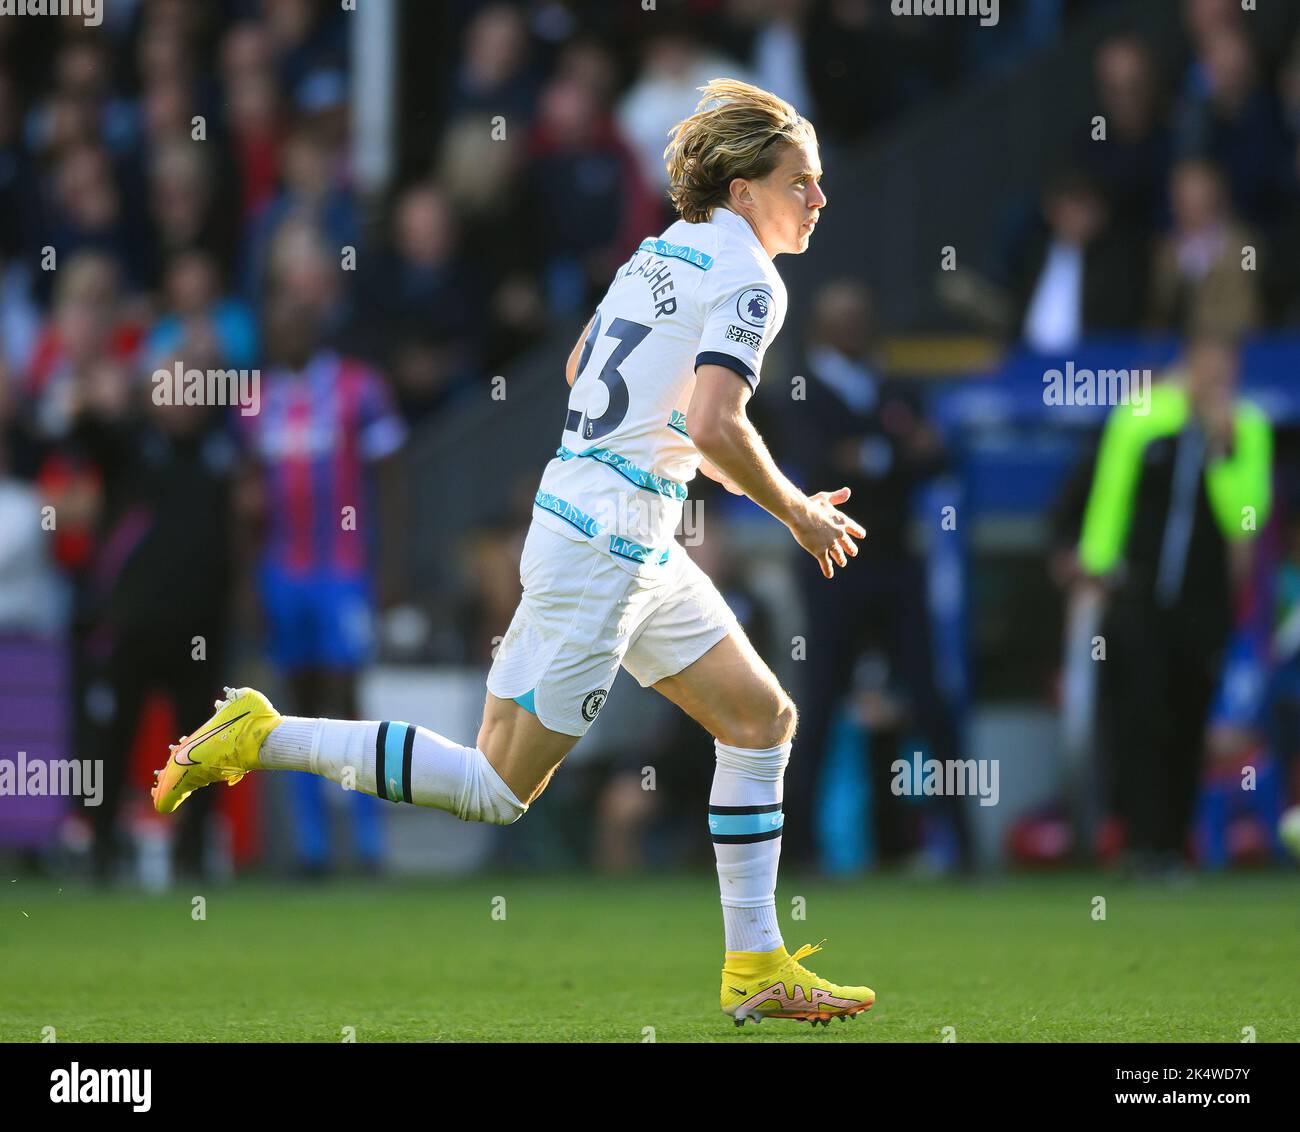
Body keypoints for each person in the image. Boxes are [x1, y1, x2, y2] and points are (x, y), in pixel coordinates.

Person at [150, 79, 874, 1026]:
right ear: (744, 191)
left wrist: (698, 456)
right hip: (608, 543)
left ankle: (757, 967)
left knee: (759, 720)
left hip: (613, 522)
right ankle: (264, 734)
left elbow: (590, 372)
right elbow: (713, 418)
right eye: (801, 181)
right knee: (497, 789)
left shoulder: (660, 252)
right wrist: (795, 511)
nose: (818, 199)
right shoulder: (751, 279)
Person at [1079, 335, 1273, 876]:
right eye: (1206, 366)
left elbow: (1245, 516)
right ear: (1187, 364)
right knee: (1141, 716)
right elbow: (1111, 491)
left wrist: (1223, 450)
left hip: (1202, 603)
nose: (1214, 380)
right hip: (1139, 595)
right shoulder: (1142, 415)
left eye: (1225, 370)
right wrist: (1098, 564)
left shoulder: (1247, 426)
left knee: (1189, 718)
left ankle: (1171, 846)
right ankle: (1137, 843)